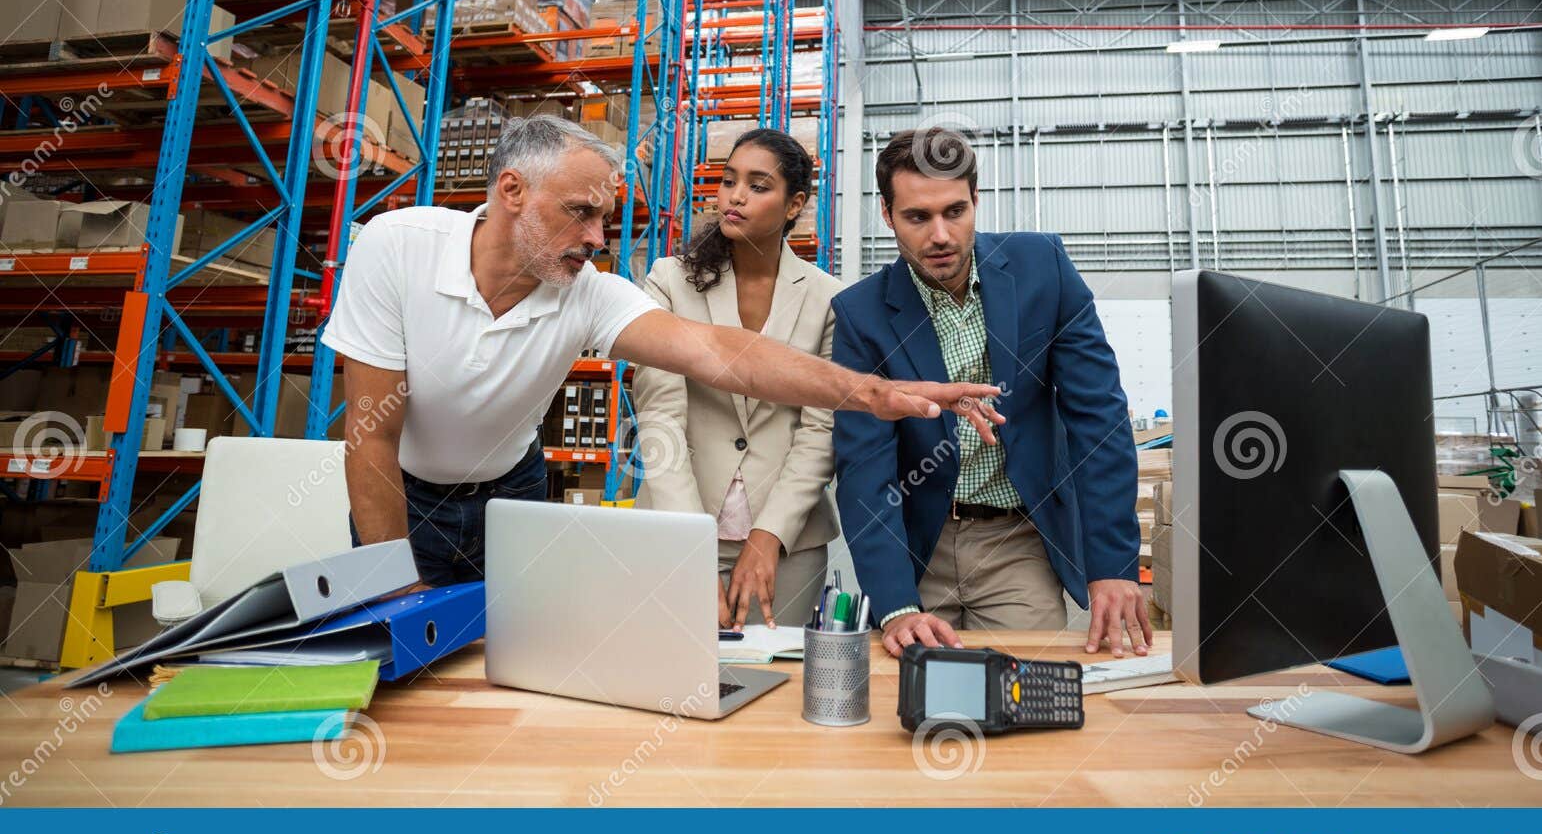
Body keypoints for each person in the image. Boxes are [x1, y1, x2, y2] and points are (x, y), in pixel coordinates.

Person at [321, 115, 1002, 588]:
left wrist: (872, 392)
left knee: (504, 667)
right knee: (395, 658)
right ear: (512, 191)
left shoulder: (586, 292)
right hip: (401, 493)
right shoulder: (396, 248)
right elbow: (371, 436)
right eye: (581, 212)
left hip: (512, 492)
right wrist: (391, 586)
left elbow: (717, 350)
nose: (597, 237)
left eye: (604, 219)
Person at [831, 126, 1148, 659]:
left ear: (976, 200)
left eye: (955, 212)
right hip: (917, 546)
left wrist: (1113, 567)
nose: (940, 236)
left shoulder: (1042, 268)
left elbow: (1099, 419)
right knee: (906, 699)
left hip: (1015, 541)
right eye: (917, 217)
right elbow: (865, 467)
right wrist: (895, 604)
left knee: (1033, 691)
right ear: (887, 216)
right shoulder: (860, 315)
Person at [634, 129, 839, 630]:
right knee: (670, 674)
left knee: (776, 684)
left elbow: (820, 431)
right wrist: (691, 546)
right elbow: (660, 413)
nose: (736, 196)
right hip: (676, 523)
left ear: (795, 205)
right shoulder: (669, 280)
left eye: (758, 185)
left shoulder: (827, 298)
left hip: (788, 545)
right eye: (728, 182)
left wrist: (768, 535)